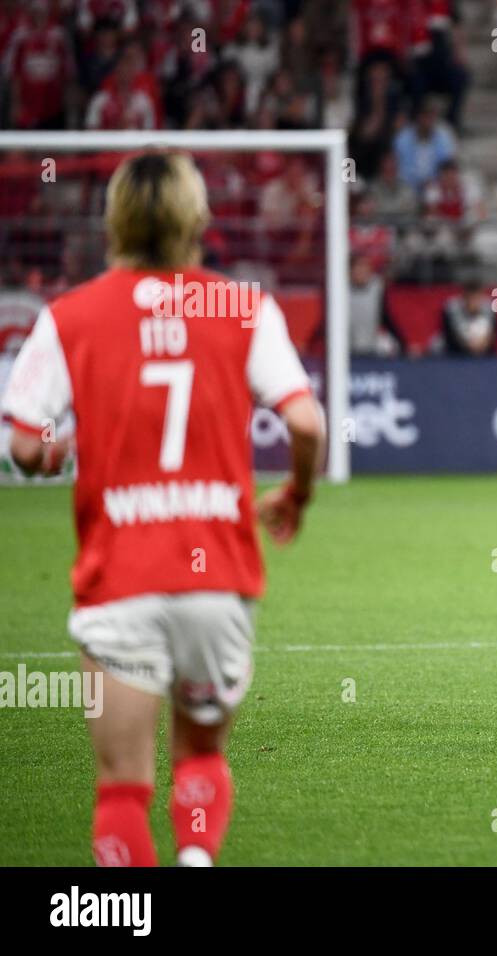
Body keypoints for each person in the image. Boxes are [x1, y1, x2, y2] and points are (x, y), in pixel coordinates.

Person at [0, 151, 324, 866]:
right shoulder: (242, 307)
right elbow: (306, 424)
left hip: (120, 577)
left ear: (114, 219)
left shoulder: (70, 318)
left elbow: (25, 444)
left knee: (121, 789)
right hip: (217, 579)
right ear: (197, 219)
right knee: (200, 755)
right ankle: (198, 859)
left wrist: (53, 447)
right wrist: (296, 494)